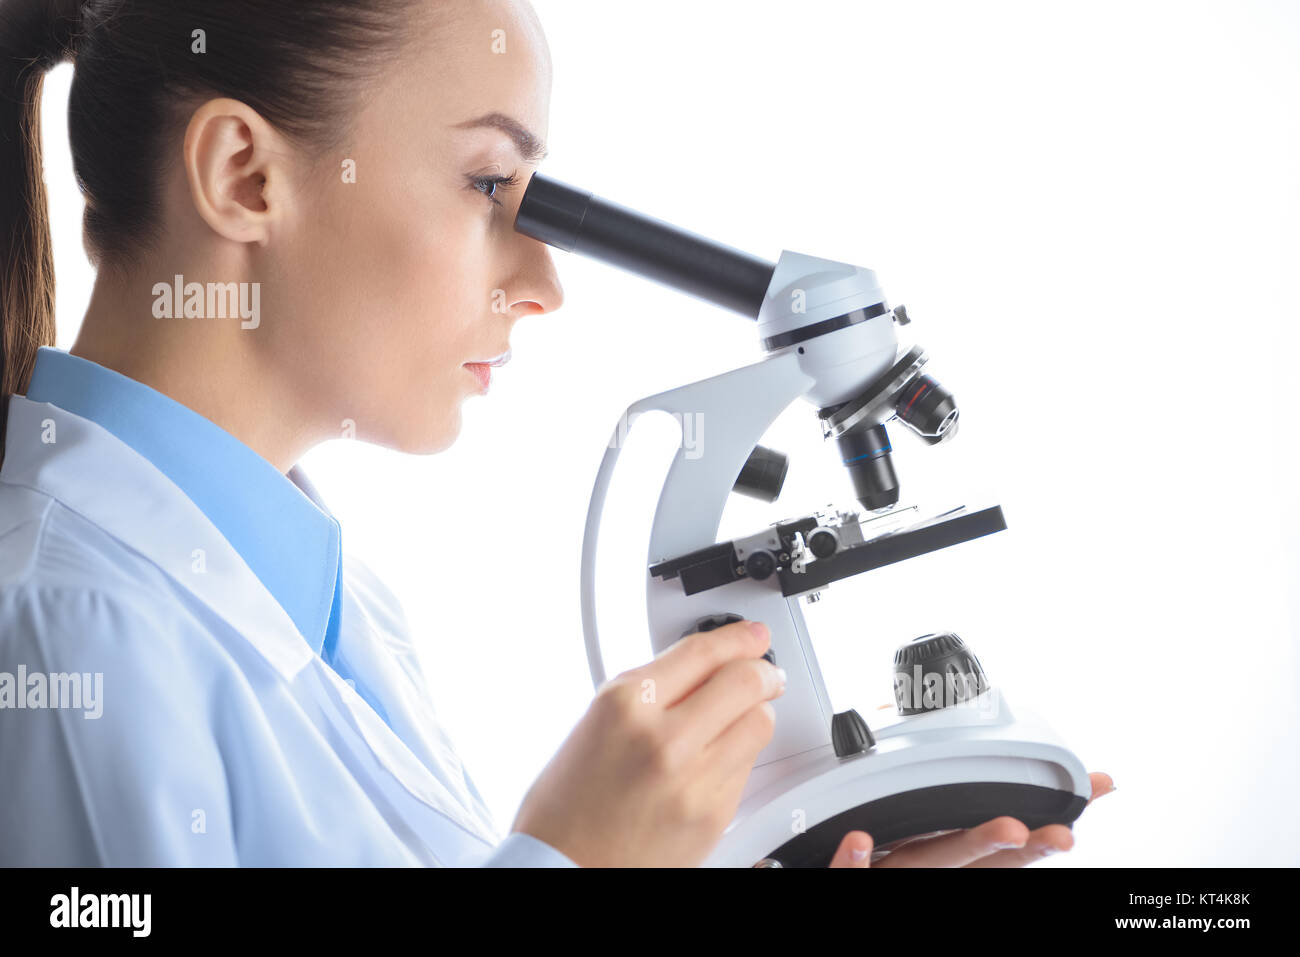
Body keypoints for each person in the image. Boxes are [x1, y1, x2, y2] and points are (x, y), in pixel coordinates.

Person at [0, 0, 1111, 867]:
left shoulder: (319, 591)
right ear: (245, 175)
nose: (543, 286)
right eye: (488, 182)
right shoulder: (68, 631)